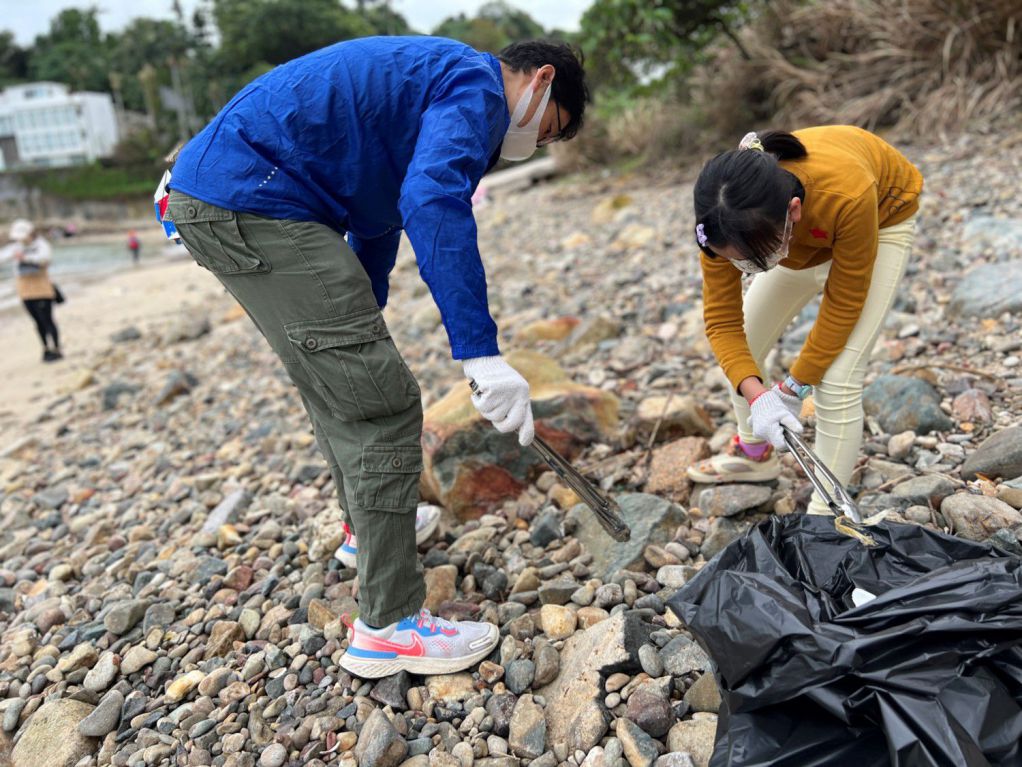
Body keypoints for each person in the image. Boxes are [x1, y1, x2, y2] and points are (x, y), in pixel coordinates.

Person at [159, 36, 588, 677]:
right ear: (540, 80)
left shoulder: (434, 81)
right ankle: (389, 626)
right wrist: (481, 355)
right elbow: (432, 202)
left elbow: (379, 216)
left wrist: (360, 319)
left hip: (228, 193)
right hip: (253, 198)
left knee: (345, 381)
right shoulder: (477, 88)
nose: (538, 141)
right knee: (383, 405)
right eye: (549, 128)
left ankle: (366, 534)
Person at [686, 126, 923, 516]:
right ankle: (755, 454)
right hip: (784, 239)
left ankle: (826, 518)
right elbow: (723, 323)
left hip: (880, 220)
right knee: (744, 350)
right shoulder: (721, 221)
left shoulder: (847, 193)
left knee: (837, 378)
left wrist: (794, 386)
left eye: (750, 263)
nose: (742, 269)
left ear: (793, 211)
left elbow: (843, 304)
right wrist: (758, 397)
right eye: (736, 262)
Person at [1, 219, 63, 362]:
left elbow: (45, 258)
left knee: (47, 319)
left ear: (30, 233)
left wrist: (25, 258)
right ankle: (46, 348)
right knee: (37, 321)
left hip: (42, 287)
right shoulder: (15, 247)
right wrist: (15, 255)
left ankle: (57, 348)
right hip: (24, 289)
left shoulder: (41, 245)